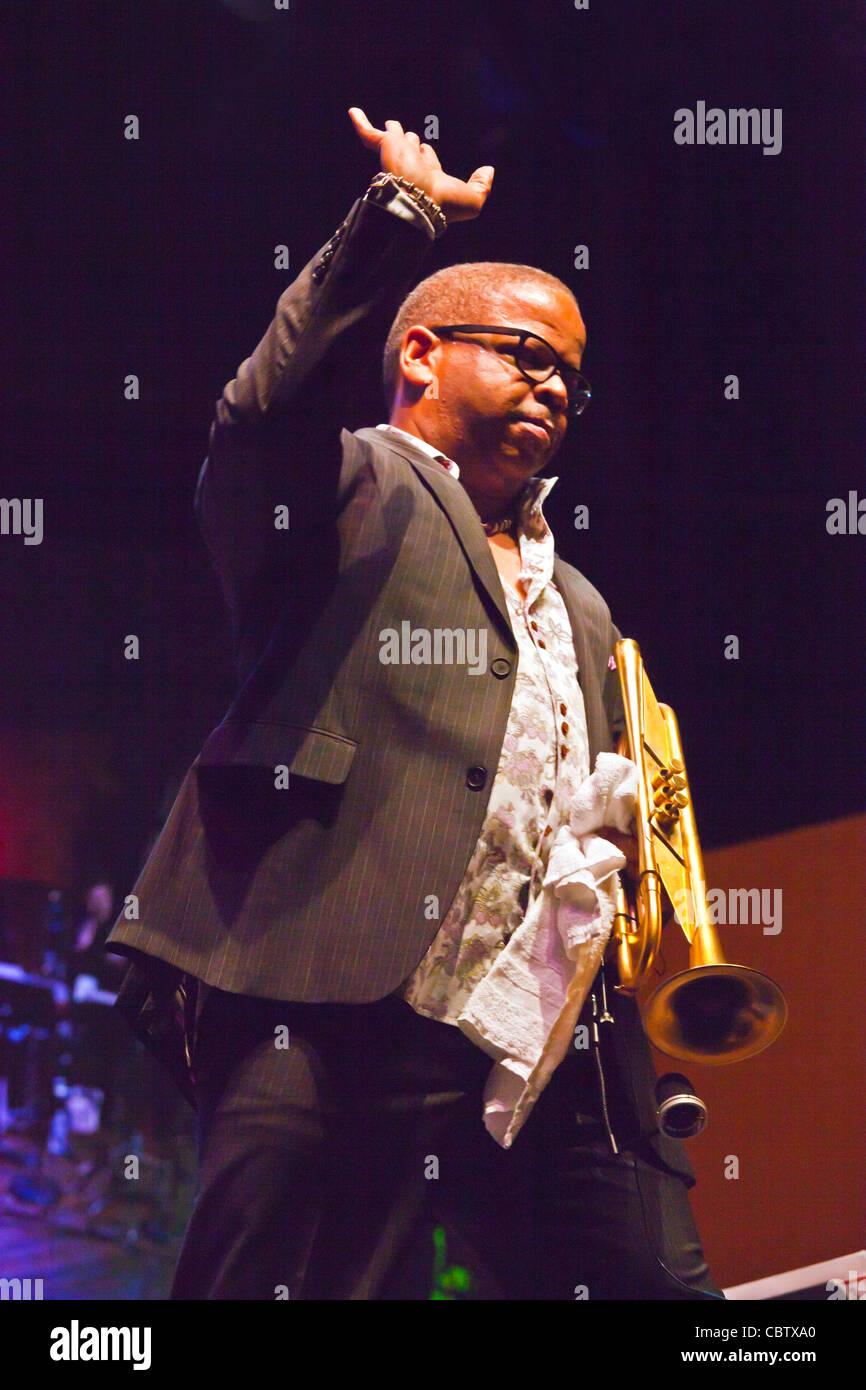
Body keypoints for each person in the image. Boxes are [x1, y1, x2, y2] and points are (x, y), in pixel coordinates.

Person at [107, 109, 723, 1300]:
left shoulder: (584, 599)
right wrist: (397, 219)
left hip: (526, 1025)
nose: (553, 387)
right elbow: (258, 417)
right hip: (320, 984)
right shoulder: (349, 487)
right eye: (525, 354)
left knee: (657, 1285)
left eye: (571, 377)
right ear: (425, 355)